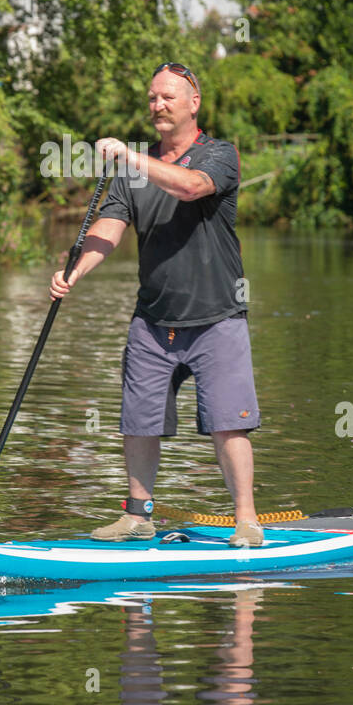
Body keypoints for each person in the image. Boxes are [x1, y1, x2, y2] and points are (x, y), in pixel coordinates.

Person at [48, 61, 263, 547]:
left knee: (228, 425)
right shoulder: (132, 172)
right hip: (153, 320)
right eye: (151, 97)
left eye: (168, 96)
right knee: (138, 421)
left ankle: (247, 521)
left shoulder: (220, 155)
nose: (157, 105)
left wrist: (128, 156)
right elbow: (109, 228)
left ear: (194, 103)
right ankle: (138, 515)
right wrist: (74, 271)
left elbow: (190, 188)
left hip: (217, 318)